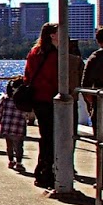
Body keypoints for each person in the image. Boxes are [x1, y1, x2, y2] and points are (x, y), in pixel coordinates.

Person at [24, 23, 62, 189]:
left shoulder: (34, 53)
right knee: (53, 138)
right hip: (51, 98)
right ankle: (47, 172)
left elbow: (27, 75)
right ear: (52, 35)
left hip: (38, 99)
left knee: (45, 136)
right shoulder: (55, 55)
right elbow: (56, 78)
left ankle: (42, 170)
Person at [0, 78, 31, 171]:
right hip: (19, 127)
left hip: (6, 126)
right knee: (19, 146)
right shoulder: (22, 100)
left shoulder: (5, 99)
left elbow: (0, 111)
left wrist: (1, 121)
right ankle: (19, 162)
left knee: (9, 145)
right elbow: (27, 113)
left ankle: (11, 161)